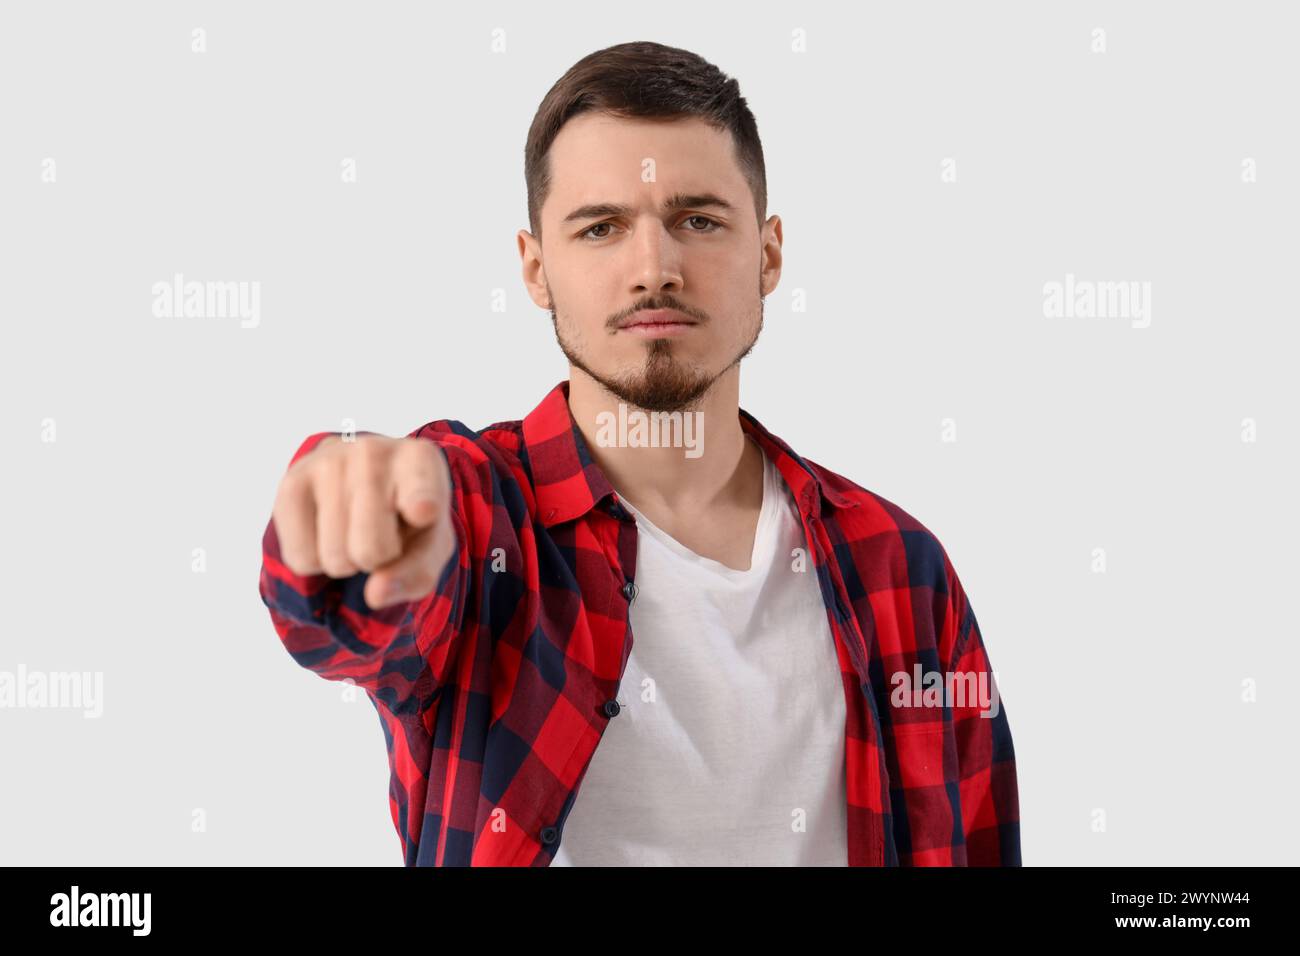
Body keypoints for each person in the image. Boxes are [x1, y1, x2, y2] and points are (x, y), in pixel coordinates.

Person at [258, 40, 1020, 866]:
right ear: (536, 267)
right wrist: (344, 531)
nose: (654, 269)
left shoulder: (899, 565)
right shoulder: (483, 528)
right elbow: (356, 617)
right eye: (601, 228)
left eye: (697, 220)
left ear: (768, 254)